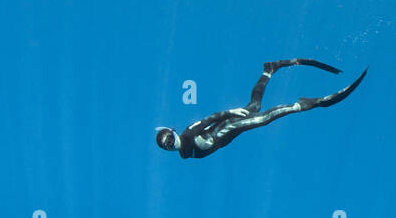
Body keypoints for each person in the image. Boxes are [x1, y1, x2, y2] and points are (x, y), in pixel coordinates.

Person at [156, 59, 365, 159]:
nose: (171, 145)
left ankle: (307, 104)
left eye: (170, 140)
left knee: (263, 118)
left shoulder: (189, 134)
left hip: (227, 126)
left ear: (174, 132)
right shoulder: (184, 152)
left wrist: (231, 112)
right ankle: (269, 70)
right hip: (225, 131)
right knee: (255, 106)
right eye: (167, 146)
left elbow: (210, 118)